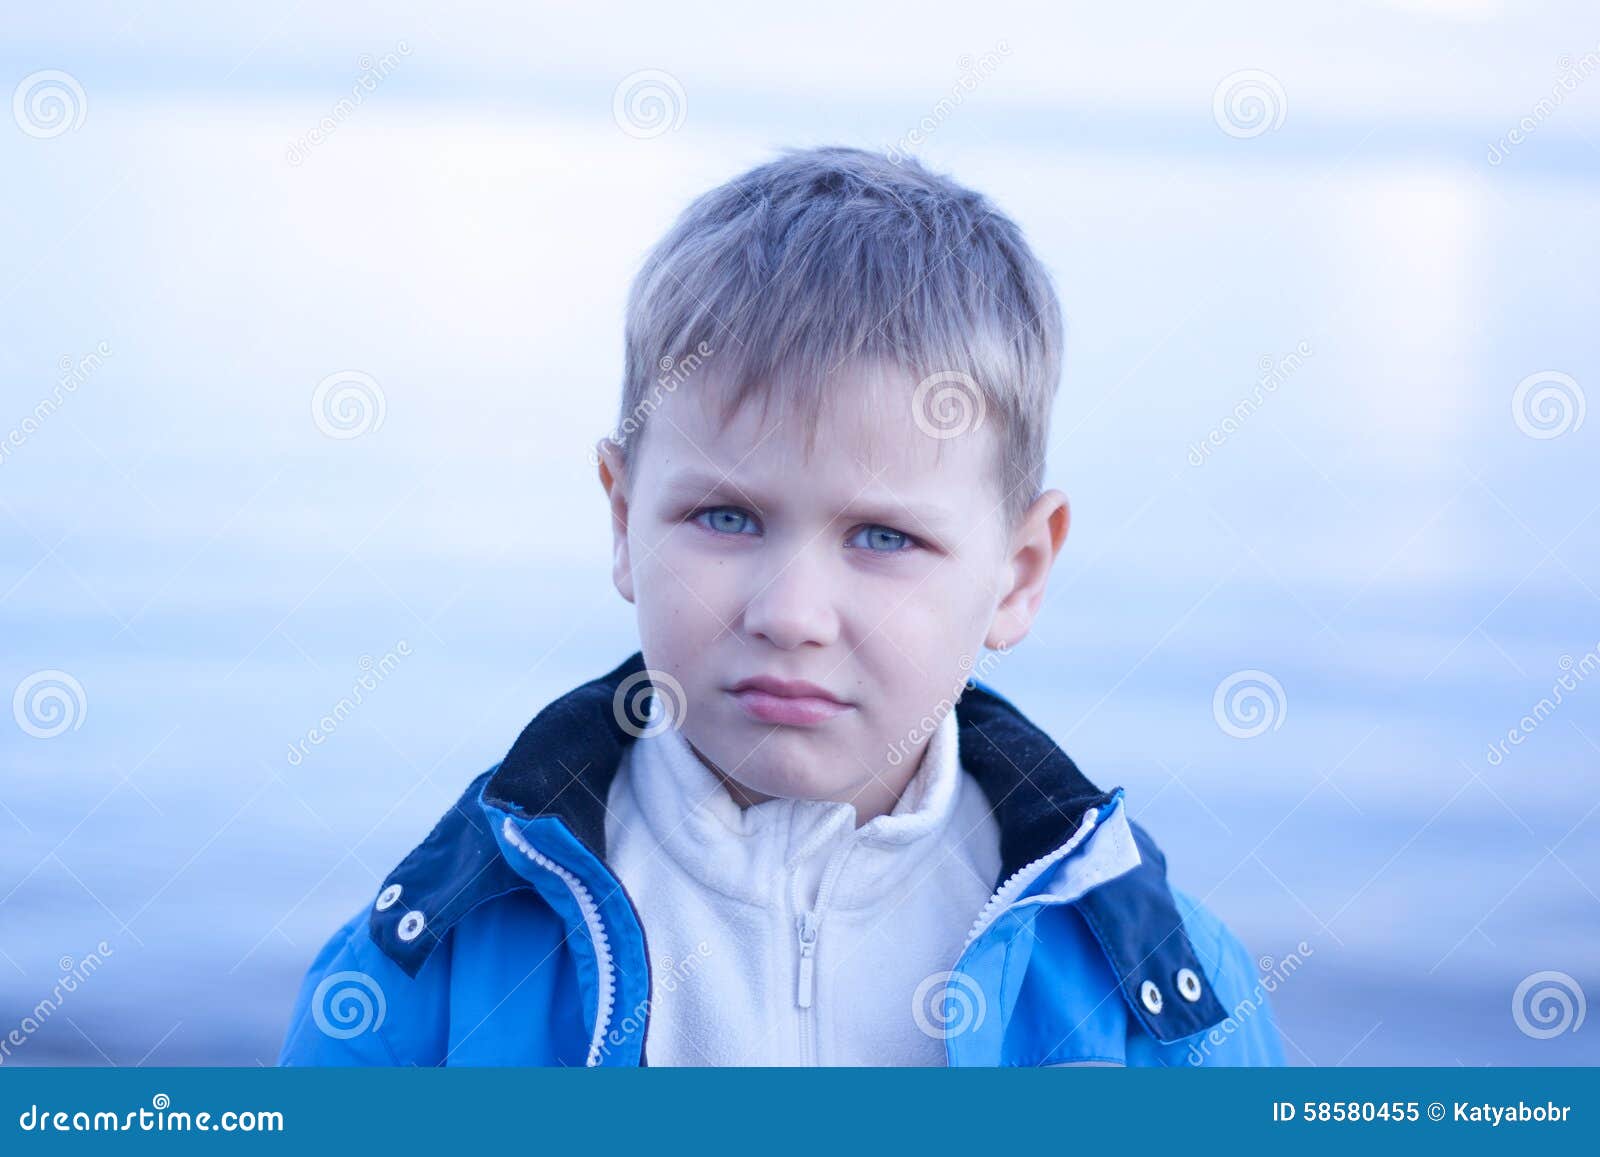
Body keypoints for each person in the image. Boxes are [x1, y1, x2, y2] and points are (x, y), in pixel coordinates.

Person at [278, 146, 1286, 1067]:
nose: (792, 613)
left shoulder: (1160, 992)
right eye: (726, 516)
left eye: (883, 537)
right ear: (624, 519)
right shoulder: (437, 952)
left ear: (1017, 573)